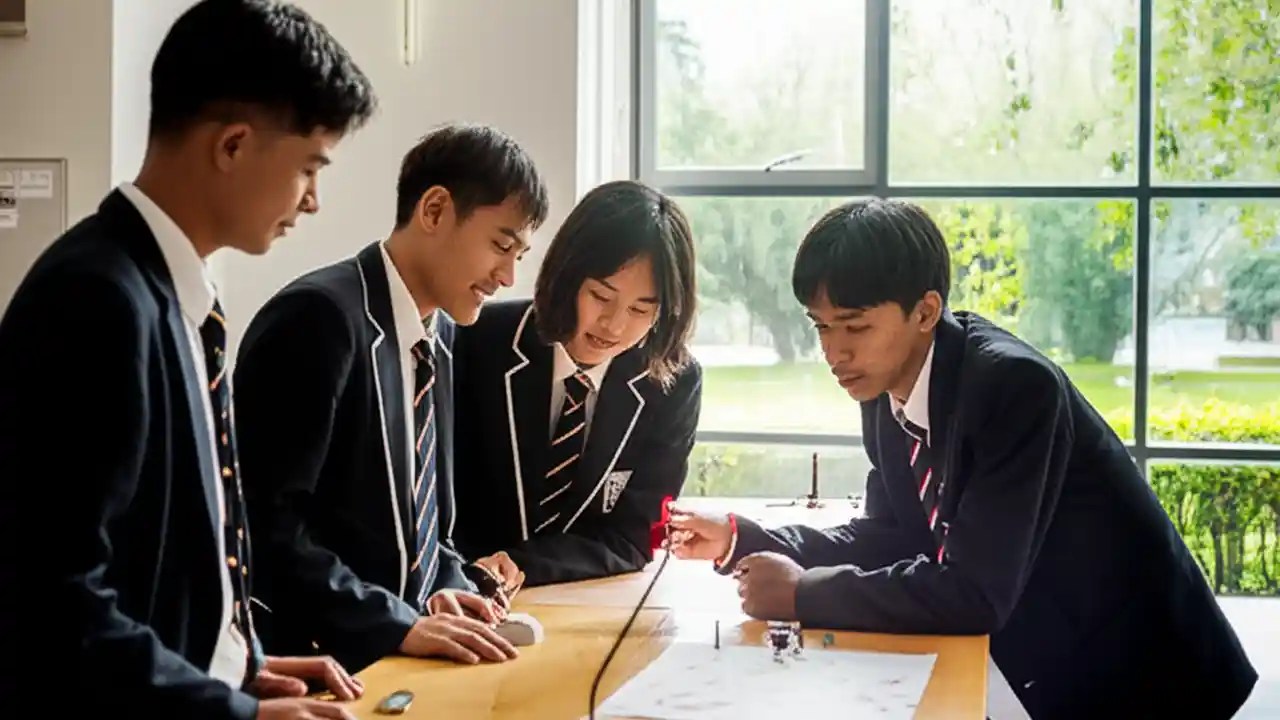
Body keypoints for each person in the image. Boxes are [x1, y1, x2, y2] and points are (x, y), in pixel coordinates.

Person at [668, 198, 1257, 719]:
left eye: (855, 327)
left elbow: (975, 592)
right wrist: (743, 538)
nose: (833, 352)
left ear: (926, 312)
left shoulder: (1014, 388)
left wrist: (804, 594)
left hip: (1141, 674)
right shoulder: (885, 386)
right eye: (821, 327)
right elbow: (892, 534)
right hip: (1039, 655)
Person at [0, 2, 377, 718]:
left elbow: (164, 559)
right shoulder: (96, 298)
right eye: (309, 168)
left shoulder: (170, 294)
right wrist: (232, 711)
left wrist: (234, 663)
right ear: (232, 146)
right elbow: (52, 598)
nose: (314, 202)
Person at [232, 124, 549, 673]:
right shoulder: (318, 318)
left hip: (400, 656)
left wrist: (449, 584)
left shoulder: (439, 331)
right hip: (317, 669)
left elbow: (417, 528)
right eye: (501, 246)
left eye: (519, 254)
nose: (507, 276)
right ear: (434, 210)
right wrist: (398, 624)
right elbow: (265, 530)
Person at [451, 180, 702, 586]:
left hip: (581, 595)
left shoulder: (673, 382)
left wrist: (520, 565)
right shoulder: (476, 342)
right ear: (567, 276)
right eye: (601, 297)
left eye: (641, 310)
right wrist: (473, 574)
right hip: (458, 591)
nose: (614, 326)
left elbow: (635, 537)